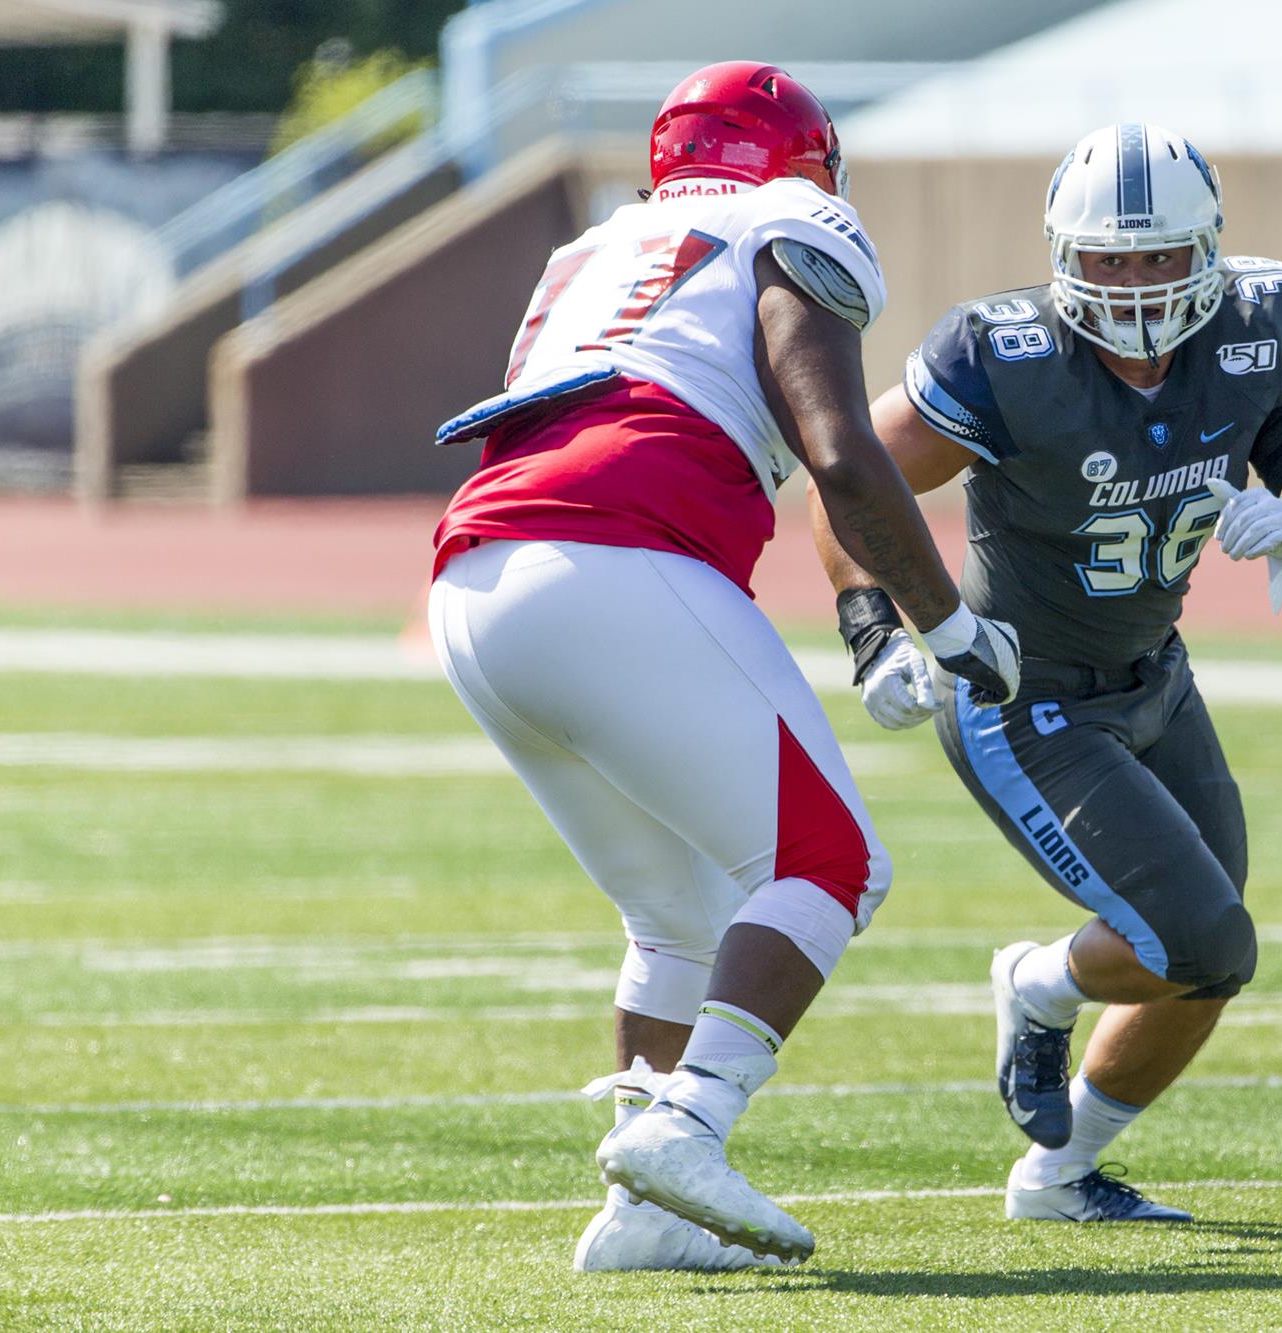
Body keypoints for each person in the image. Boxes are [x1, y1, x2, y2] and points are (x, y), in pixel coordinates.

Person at [426, 61, 1019, 1269]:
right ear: (803, 161)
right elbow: (843, 453)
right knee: (832, 862)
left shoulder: (596, 245)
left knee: (675, 916)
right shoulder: (792, 220)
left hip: (474, 579)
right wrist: (950, 628)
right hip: (615, 555)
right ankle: (687, 1128)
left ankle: (643, 1217)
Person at [811, 123, 1282, 1222]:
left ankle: (1058, 1173)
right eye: (1108, 258)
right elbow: (849, 479)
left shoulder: (1260, 326)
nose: (1131, 283)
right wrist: (871, 627)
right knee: (1197, 933)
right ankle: (1033, 984)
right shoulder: (1000, 356)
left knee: (1205, 955)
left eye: (1158, 257)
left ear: (1207, 249)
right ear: (1060, 253)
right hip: (1019, 696)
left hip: (1153, 675)